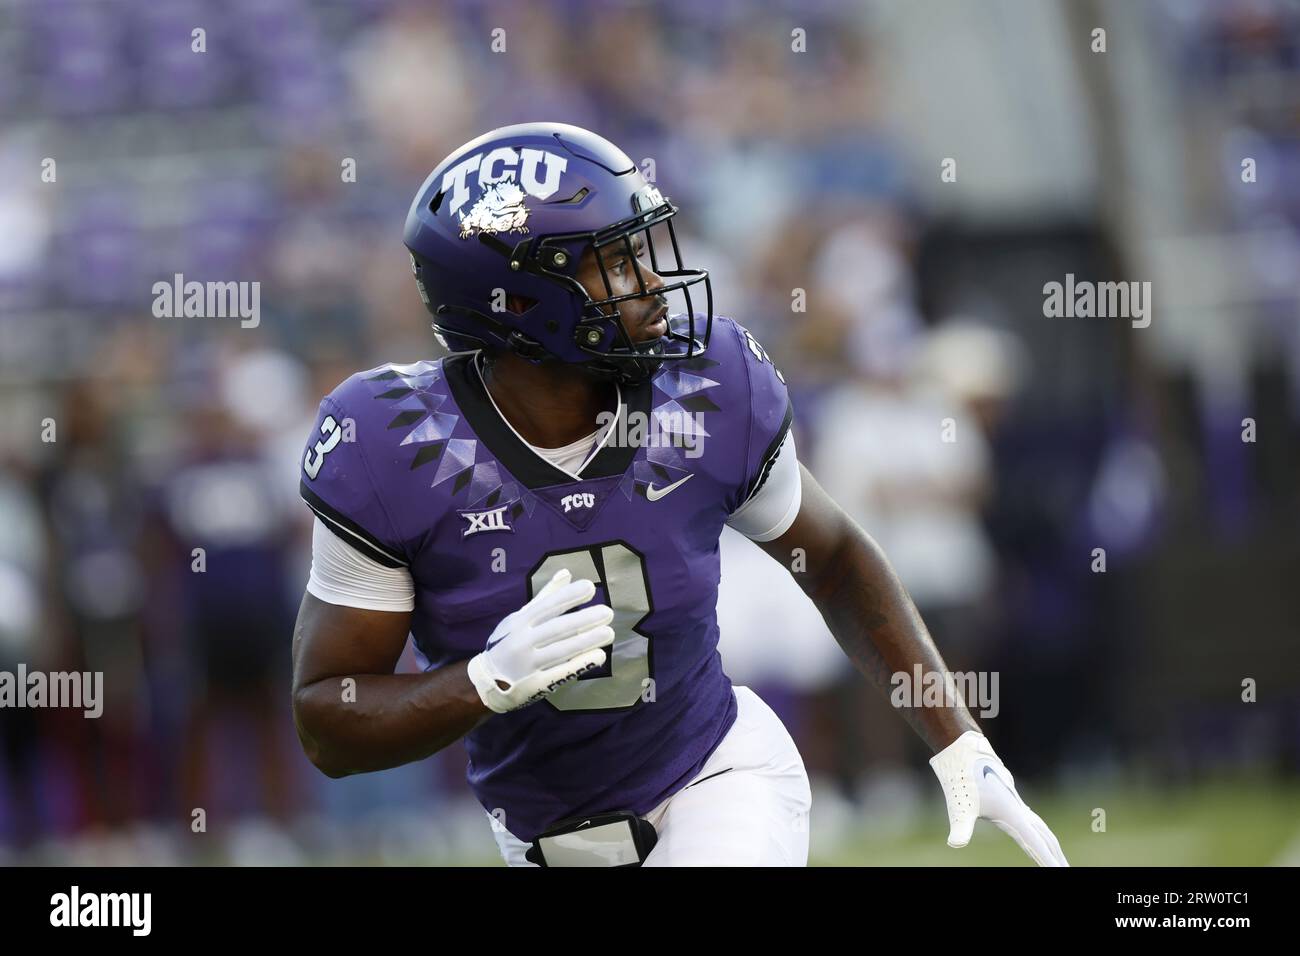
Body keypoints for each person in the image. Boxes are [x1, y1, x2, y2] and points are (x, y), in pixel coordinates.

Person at [289, 122, 1067, 867]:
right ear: (519, 302)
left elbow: (831, 558)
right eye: (616, 263)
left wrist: (958, 738)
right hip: (545, 840)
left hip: (718, 777)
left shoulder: (706, 386)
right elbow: (329, 720)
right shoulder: (389, 441)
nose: (655, 283)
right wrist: (481, 683)